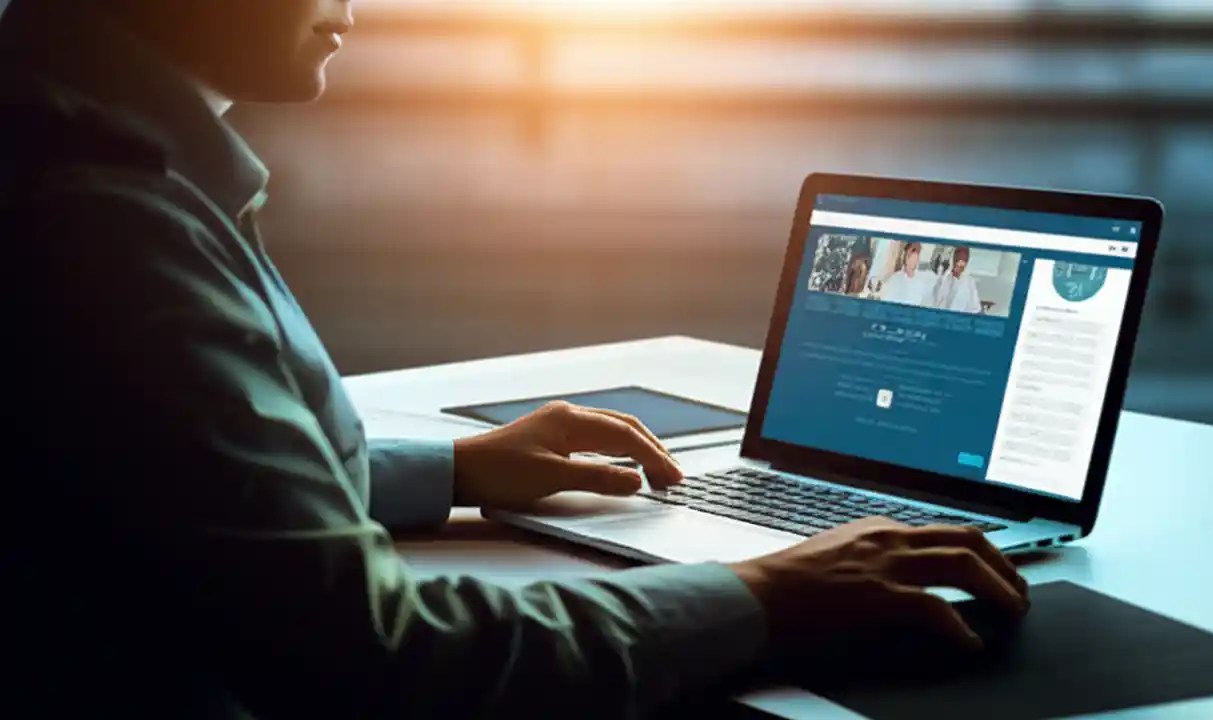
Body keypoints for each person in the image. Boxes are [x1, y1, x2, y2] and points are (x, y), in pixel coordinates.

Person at [1, 1, 1029, 716]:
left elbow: (172, 480)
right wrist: (764, 595)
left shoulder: (82, 158)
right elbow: (379, 662)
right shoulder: (108, 226)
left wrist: (455, 470)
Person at [879, 241, 938, 308]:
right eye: (911, 257)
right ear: (906, 257)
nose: (914, 261)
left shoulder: (924, 279)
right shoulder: (895, 279)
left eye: (916, 257)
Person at [934, 246, 984, 313]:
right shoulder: (943, 276)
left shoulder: (969, 282)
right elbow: (935, 298)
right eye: (958, 260)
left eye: (964, 261)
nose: (960, 264)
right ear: (953, 259)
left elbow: (975, 308)